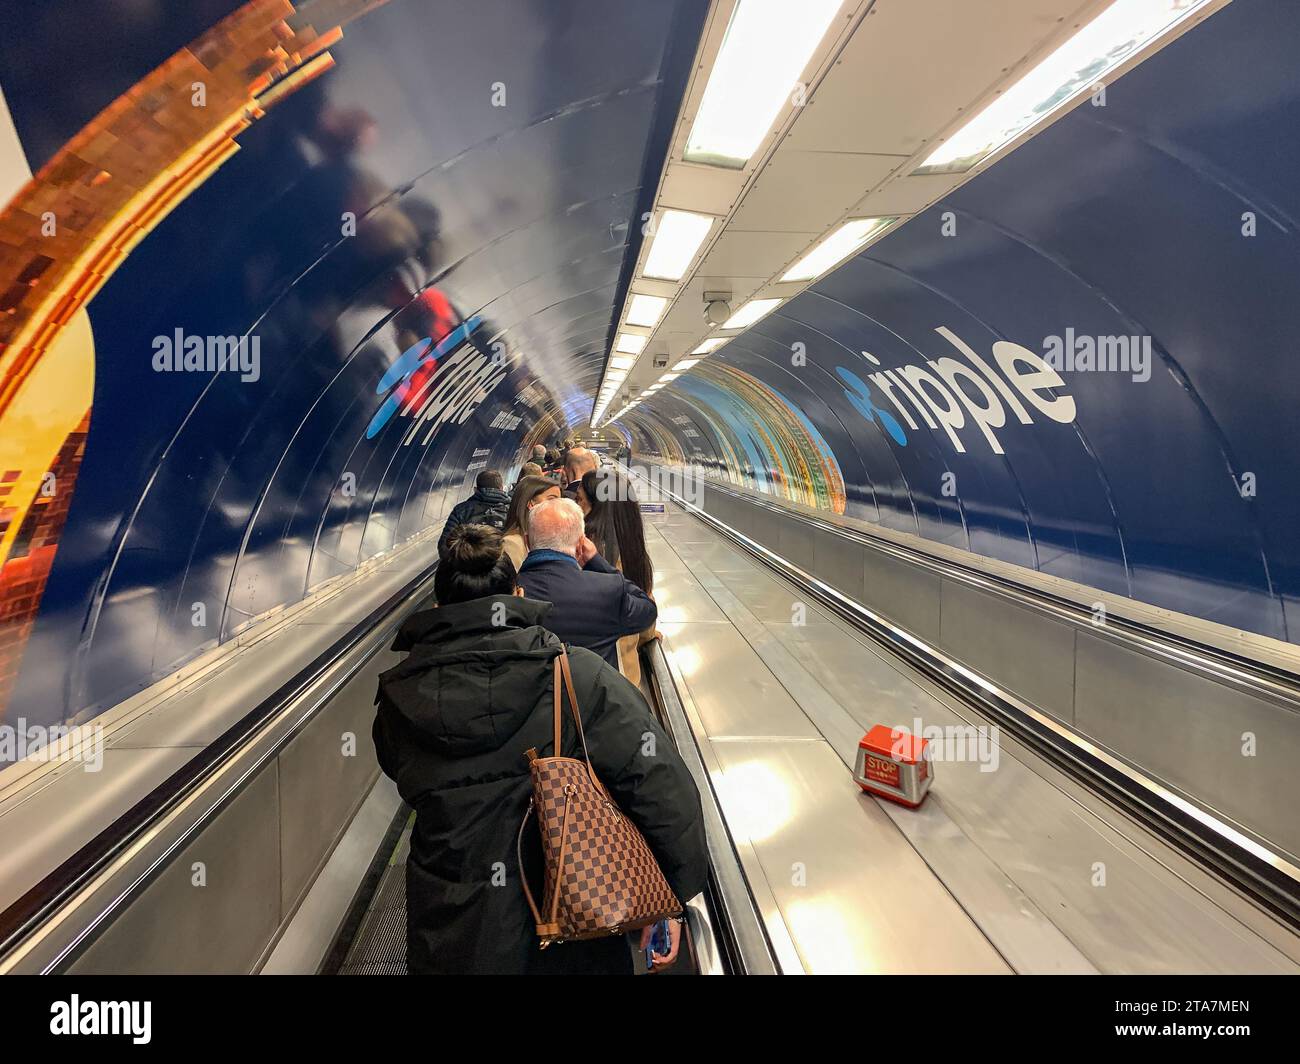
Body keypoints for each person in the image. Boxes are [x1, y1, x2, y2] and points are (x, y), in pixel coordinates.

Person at [373, 525, 707, 975]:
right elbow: (660, 784)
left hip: (451, 922)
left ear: (438, 605)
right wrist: (671, 890)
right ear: (517, 592)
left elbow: (401, 772)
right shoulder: (577, 677)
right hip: (574, 917)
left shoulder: (397, 696)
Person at [517, 498, 657, 669]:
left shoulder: (508, 594)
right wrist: (597, 562)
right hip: (594, 694)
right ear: (581, 544)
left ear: (527, 541)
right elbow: (648, 610)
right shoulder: (608, 590)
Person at [581, 467, 657, 684]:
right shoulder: (636, 557)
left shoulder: (580, 554)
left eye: (580, 501)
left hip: (588, 677)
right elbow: (646, 628)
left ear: (598, 508)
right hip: (626, 681)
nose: (574, 508)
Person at [437, 469, 510, 556]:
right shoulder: (512, 509)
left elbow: (444, 545)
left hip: (465, 565)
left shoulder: (461, 510)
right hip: (501, 566)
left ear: (475, 490)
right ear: (501, 488)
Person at [500, 474, 561, 570]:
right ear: (531, 503)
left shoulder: (544, 538)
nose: (559, 506)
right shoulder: (512, 543)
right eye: (552, 499)